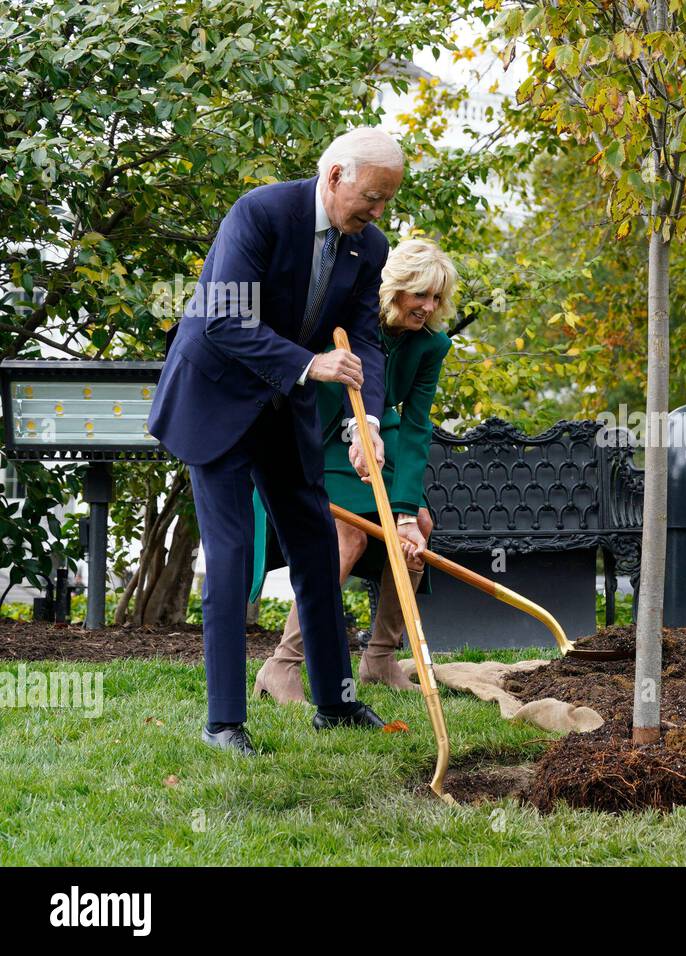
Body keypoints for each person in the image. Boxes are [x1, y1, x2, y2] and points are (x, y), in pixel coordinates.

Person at [148, 127, 406, 754]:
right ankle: (225, 723)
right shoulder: (260, 213)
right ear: (336, 175)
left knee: (317, 548)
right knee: (234, 559)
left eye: (387, 202)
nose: (378, 213)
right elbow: (224, 320)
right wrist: (310, 365)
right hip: (215, 401)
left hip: (280, 410)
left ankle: (336, 705)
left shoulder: (367, 246)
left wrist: (363, 422)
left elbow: (364, 339)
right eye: (371, 198)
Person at [250, 238, 457, 703]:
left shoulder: (431, 346)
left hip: (379, 444)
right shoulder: (348, 323)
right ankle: (282, 664)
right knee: (347, 536)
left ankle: (380, 657)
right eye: (419, 294)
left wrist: (405, 512)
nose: (428, 306)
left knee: (418, 527)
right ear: (395, 288)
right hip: (316, 440)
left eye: (436, 297)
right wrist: (353, 430)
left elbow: (418, 426)